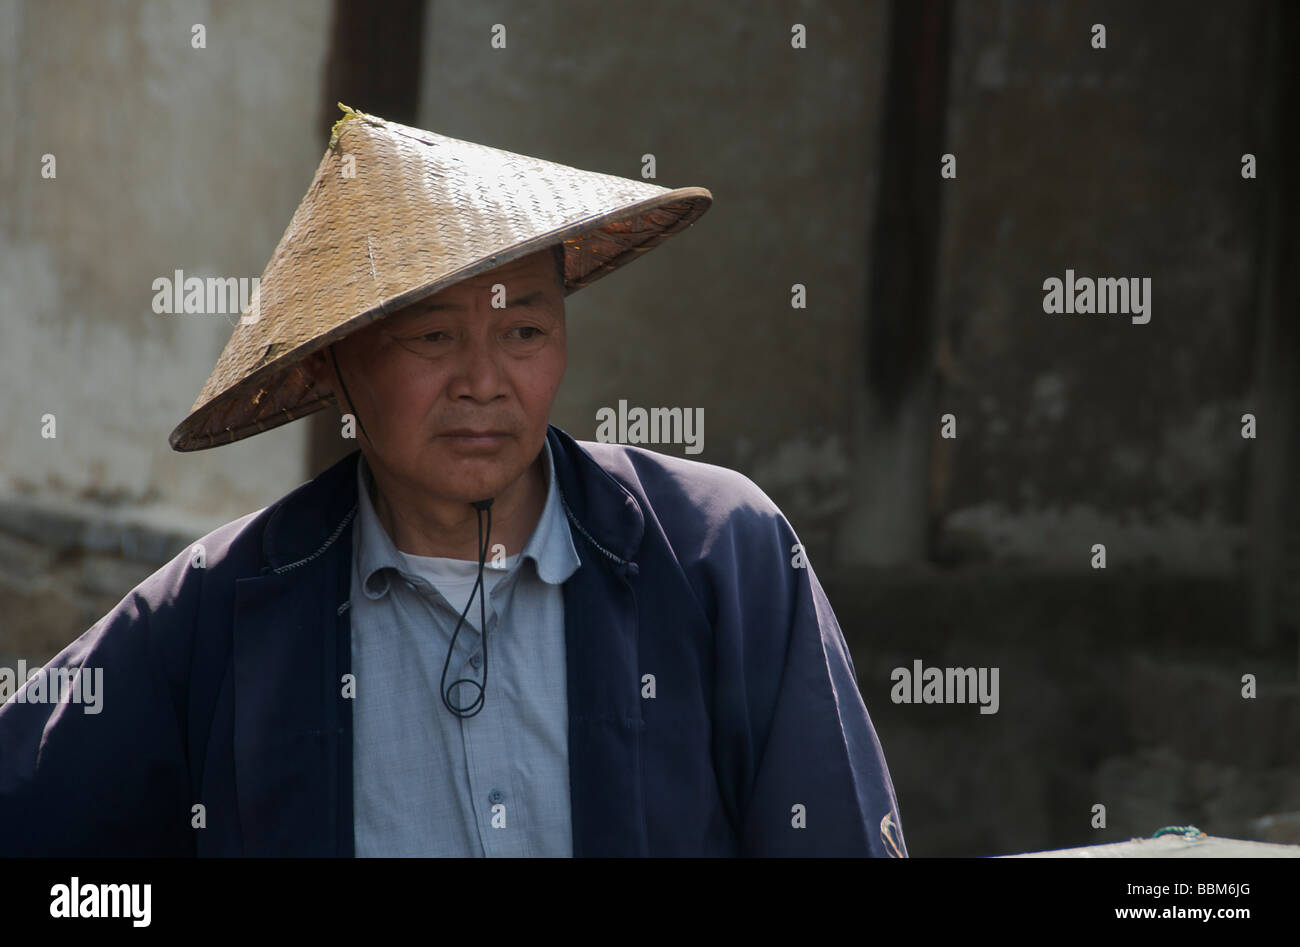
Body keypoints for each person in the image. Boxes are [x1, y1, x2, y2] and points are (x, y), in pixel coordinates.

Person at [0, 107, 907, 857]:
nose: (484, 381)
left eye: (525, 333)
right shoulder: (220, 608)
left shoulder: (716, 553)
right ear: (335, 366)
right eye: (431, 337)